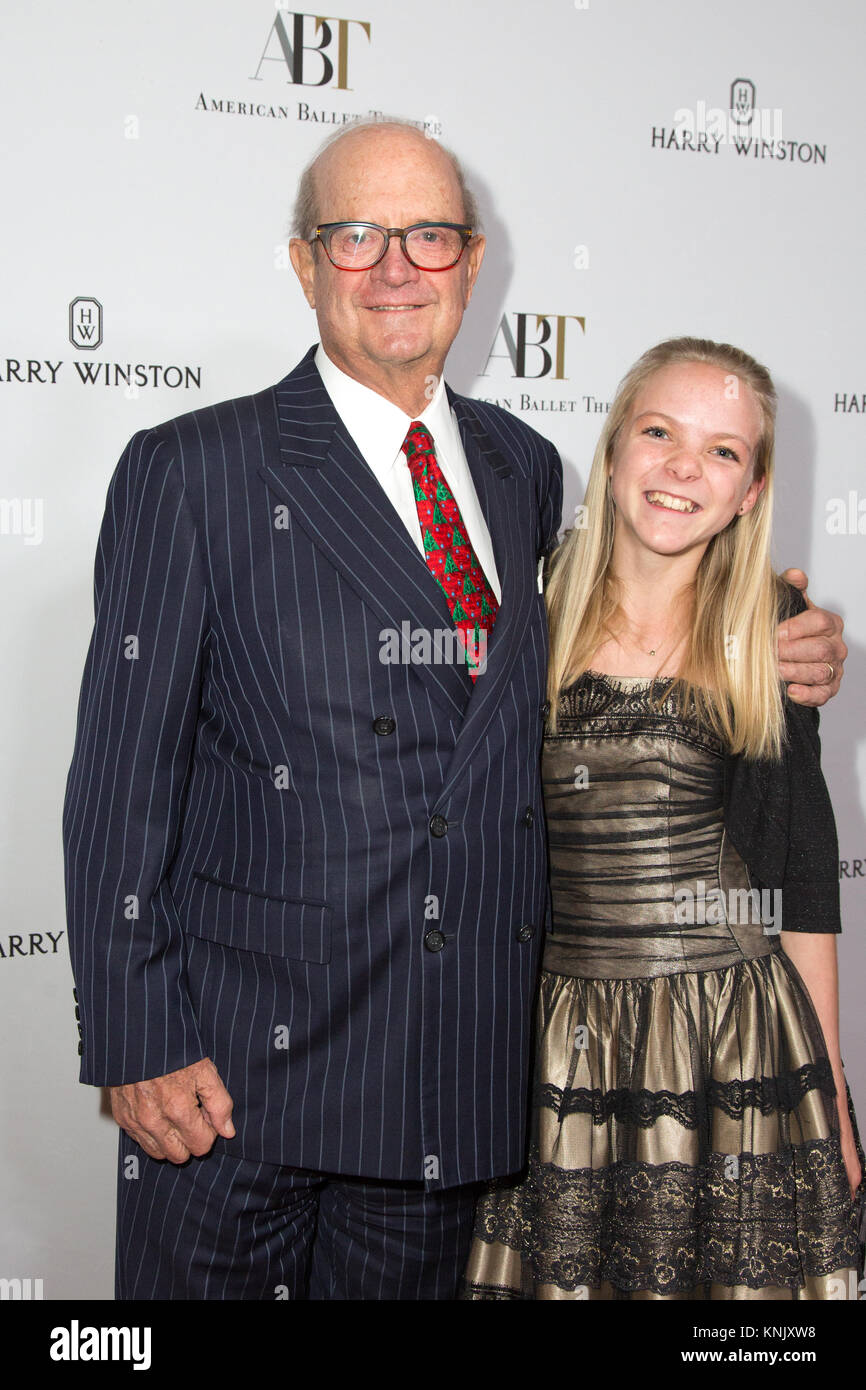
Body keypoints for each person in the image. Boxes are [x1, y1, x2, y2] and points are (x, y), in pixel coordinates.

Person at [62, 117, 846, 1300]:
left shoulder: (519, 470)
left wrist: (781, 628)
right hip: (233, 1090)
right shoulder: (196, 471)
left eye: (428, 237)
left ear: (472, 266)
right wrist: (137, 1038)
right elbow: (119, 783)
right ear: (301, 261)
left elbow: (633, 618)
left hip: (450, 1093)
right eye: (356, 234)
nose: (394, 267)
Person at [462, 337, 863, 1300]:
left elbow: (802, 876)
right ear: (612, 451)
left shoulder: (771, 627)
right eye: (660, 432)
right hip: (560, 1040)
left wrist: (833, 1090)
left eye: (724, 451)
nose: (686, 467)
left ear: (752, 492)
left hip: (735, 1038)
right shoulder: (526, 602)